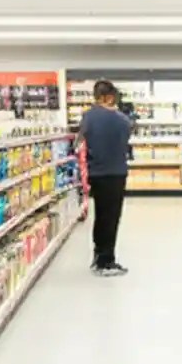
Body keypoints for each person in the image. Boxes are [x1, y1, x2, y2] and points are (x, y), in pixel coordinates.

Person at [75, 80, 133, 276]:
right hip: (115, 172)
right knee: (111, 218)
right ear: (110, 97)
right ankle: (106, 262)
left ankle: (98, 255)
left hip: (95, 173)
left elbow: (79, 142)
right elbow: (125, 140)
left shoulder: (87, 117)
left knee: (100, 215)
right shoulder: (123, 120)